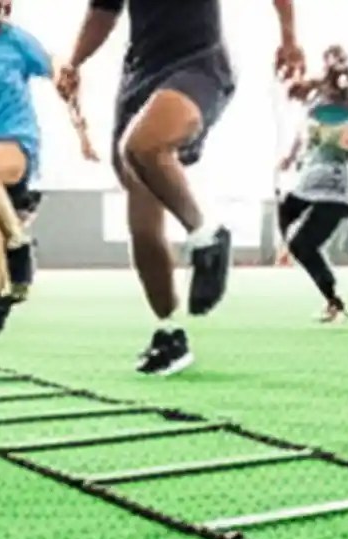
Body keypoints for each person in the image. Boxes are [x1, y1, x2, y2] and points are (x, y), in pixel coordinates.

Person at [59, 0, 304, 375]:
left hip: (199, 64)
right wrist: (74, 62)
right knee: (141, 223)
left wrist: (289, 39)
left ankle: (206, 235)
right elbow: (102, 14)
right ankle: (169, 332)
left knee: (142, 145)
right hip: (139, 77)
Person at [0, 0, 85, 337]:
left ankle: (18, 240)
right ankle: (1, 294)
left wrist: (61, 76)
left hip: (16, 143)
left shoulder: (16, 41)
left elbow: (51, 64)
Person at [278, 45, 348, 323]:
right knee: (295, 229)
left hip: (331, 183)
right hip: (319, 183)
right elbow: (301, 124)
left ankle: (290, 251)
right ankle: (332, 300)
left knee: (297, 233)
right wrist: (289, 157)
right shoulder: (317, 101)